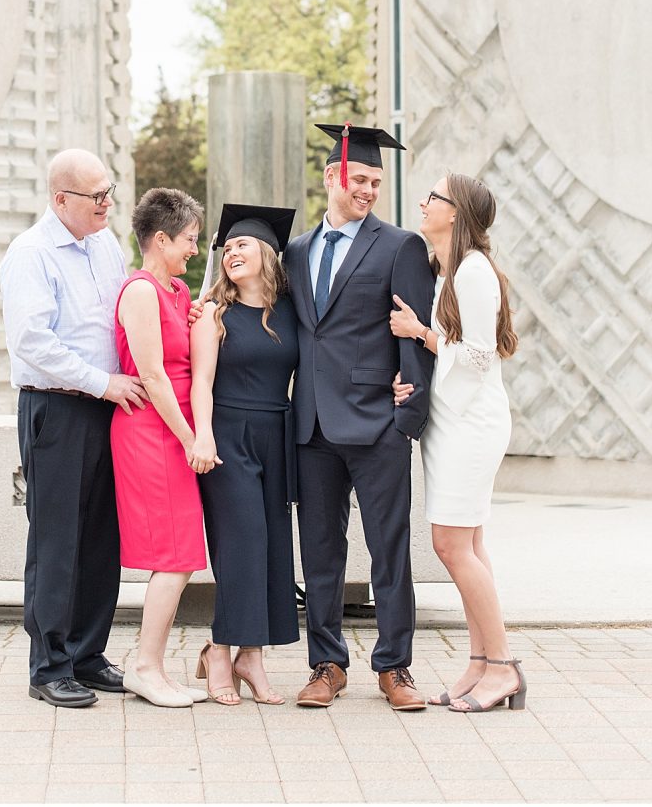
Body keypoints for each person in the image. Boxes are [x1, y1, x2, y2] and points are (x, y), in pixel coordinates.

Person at [283, 123, 435, 710]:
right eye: (361, 179)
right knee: (319, 554)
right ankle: (326, 664)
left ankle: (395, 667)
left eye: (376, 181)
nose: (370, 189)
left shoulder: (400, 247)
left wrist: (407, 418)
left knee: (389, 552)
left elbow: (414, 335)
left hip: (378, 425)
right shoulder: (296, 251)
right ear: (332, 176)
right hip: (312, 427)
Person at [0, 148, 146, 709]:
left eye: (109, 191)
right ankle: (49, 666)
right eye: (96, 195)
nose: (107, 203)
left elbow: (121, 318)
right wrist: (102, 383)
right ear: (61, 199)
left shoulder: (105, 245)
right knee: (56, 539)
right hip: (57, 409)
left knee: (102, 538)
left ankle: (88, 653)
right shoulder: (31, 254)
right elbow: (32, 343)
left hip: (110, 406)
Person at [390, 173, 526, 713]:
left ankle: (504, 667)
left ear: (456, 212)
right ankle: (479, 660)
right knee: (469, 545)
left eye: (434, 196)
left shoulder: (472, 271)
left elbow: (479, 355)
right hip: (452, 422)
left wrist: (420, 332)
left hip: (471, 424)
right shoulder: (449, 269)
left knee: (449, 545)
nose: (424, 203)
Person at [190, 203, 300, 706]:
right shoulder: (213, 313)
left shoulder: (291, 311)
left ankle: (250, 656)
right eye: (228, 246)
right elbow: (202, 382)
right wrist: (203, 436)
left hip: (277, 433)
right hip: (228, 434)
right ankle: (220, 649)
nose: (232, 251)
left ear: (268, 254)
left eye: (243, 244)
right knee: (242, 543)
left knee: (273, 543)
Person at [110, 187, 210, 708]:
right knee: (174, 555)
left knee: (182, 554)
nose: (195, 248)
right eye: (189, 239)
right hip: (152, 433)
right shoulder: (141, 291)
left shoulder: (177, 292)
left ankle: (153, 666)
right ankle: (145, 668)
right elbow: (151, 375)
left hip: (175, 432)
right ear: (161, 239)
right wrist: (191, 439)